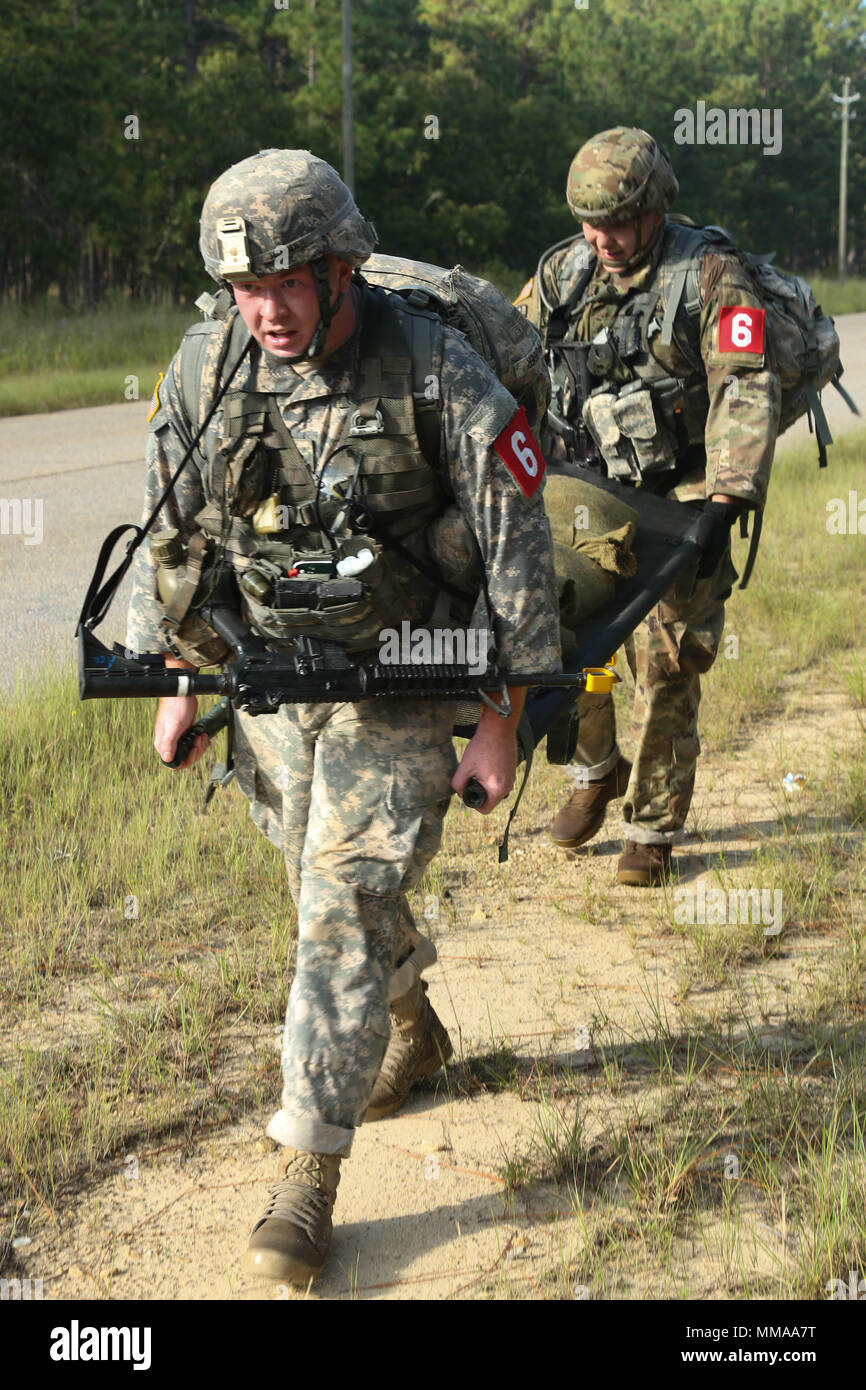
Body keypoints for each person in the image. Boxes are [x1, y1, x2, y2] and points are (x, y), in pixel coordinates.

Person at [125, 148, 561, 1284]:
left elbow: (517, 548)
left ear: (338, 269)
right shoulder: (208, 365)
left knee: (341, 892)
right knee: (310, 875)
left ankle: (306, 1170)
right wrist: (184, 679)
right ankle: (410, 1025)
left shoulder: (435, 369)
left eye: (283, 283)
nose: (261, 310)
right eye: (241, 288)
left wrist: (502, 717)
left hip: (415, 665)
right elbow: (175, 529)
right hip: (275, 665)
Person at [516, 126, 780, 887]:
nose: (604, 238)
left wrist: (728, 496)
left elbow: (744, 382)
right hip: (590, 489)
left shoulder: (710, 274)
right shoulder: (563, 272)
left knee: (667, 662)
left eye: (620, 223)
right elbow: (506, 351)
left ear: (657, 208)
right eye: (591, 223)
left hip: (686, 496)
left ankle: (653, 825)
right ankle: (595, 772)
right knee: (570, 637)